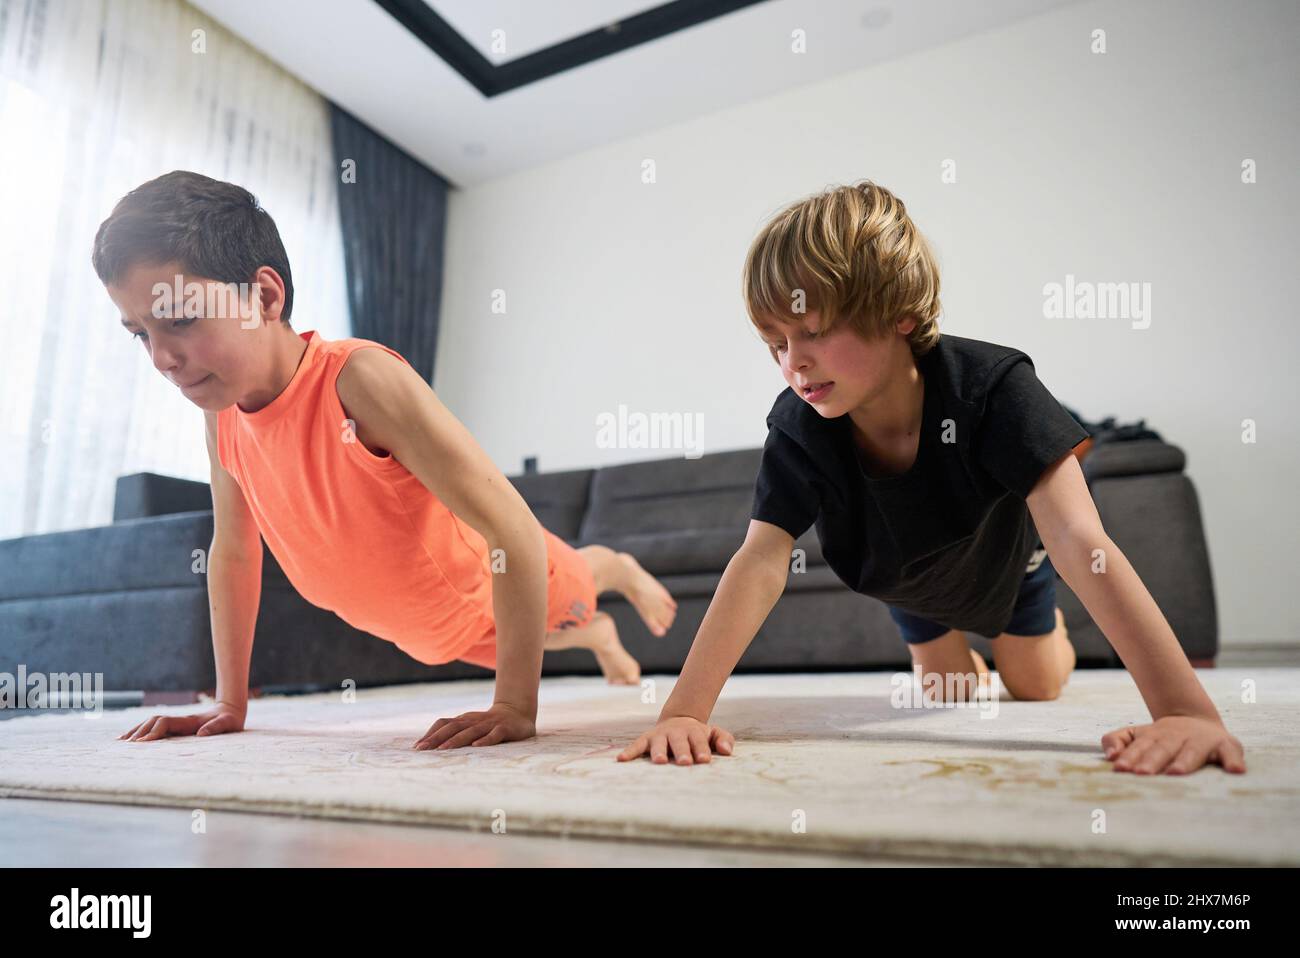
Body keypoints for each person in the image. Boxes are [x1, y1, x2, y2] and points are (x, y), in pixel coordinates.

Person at [618, 180, 1245, 776]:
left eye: (811, 332)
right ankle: (959, 652)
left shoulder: (994, 389)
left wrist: (1185, 712)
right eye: (775, 342)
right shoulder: (799, 425)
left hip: (1000, 562)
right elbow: (759, 559)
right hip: (901, 575)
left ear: (900, 316)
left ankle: (1043, 625)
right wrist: (683, 713)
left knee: (1035, 687)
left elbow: (1084, 540)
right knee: (953, 690)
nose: (793, 362)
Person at [95, 171, 676, 749]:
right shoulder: (220, 409)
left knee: (569, 597)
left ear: (265, 298)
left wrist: (514, 706)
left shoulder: (360, 382)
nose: (162, 358)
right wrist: (229, 701)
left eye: (179, 321)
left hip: (484, 581)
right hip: (427, 628)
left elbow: (513, 531)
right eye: (140, 333)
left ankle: (615, 568)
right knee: (551, 635)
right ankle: (601, 637)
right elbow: (236, 549)